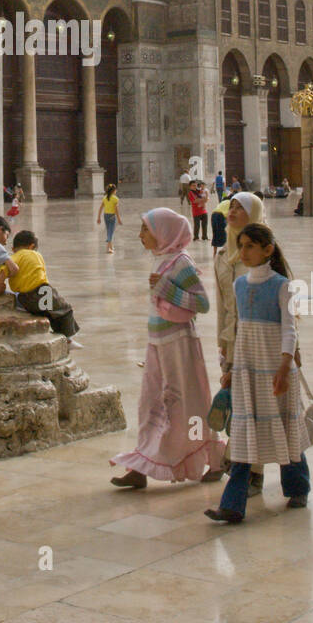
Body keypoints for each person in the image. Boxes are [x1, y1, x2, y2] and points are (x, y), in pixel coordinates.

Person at [110, 208, 225, 489]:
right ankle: (142, 464)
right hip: (157, 343)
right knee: (151, 404)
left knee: (189, 405)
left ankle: (212, 457)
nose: (140, 235)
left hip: (180, 344)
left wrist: (165, 288)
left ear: (163, 232)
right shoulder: (159, 259)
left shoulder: (180, 262)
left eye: (145, 230)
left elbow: (202, 303)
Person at [205, 223, 310, 524]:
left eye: (251, 245)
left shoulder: (281, 285)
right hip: (248, 369)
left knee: (284, 427)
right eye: (242, 245)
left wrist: (284, 366)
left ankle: (298, 487)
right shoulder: (240, 285)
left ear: (268, 250)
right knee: (242, 432)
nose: (245, 252)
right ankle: (233, 506)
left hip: (275, 367)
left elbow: (289, 328)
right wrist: (231, 368)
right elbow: (239, 328)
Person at [213, 191, 267, 492]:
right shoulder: (223, 254)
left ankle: (253, 470)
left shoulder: (266, 251)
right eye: (230, 206)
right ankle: (240, 461)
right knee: (238, 402)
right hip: (234, 340)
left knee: (255, 405)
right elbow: (222, 304)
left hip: (260, 339)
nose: (231, 212)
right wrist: (222, 341)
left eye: (239, 208)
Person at [0, 229, 80, 343]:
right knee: (65, 310)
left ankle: (60, 335)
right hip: (41, 292)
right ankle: (68, 338)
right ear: (32, 246)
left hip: (24, 298)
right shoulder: (36, 255)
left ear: (13, 249)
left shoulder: (14, 257)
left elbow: (3, 270)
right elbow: (43, 277)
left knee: (49, 311)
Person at [97, 184, 122, 254]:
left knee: (109, 230)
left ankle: (110, 246)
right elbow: (116, 210)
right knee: (111, 231)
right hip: (112, 216)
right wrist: (119, 219)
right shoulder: (115, 199)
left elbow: (100, 208)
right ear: (114, 191)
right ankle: (109, 248)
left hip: (106, 216)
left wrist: (98, 217)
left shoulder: (104, 198)